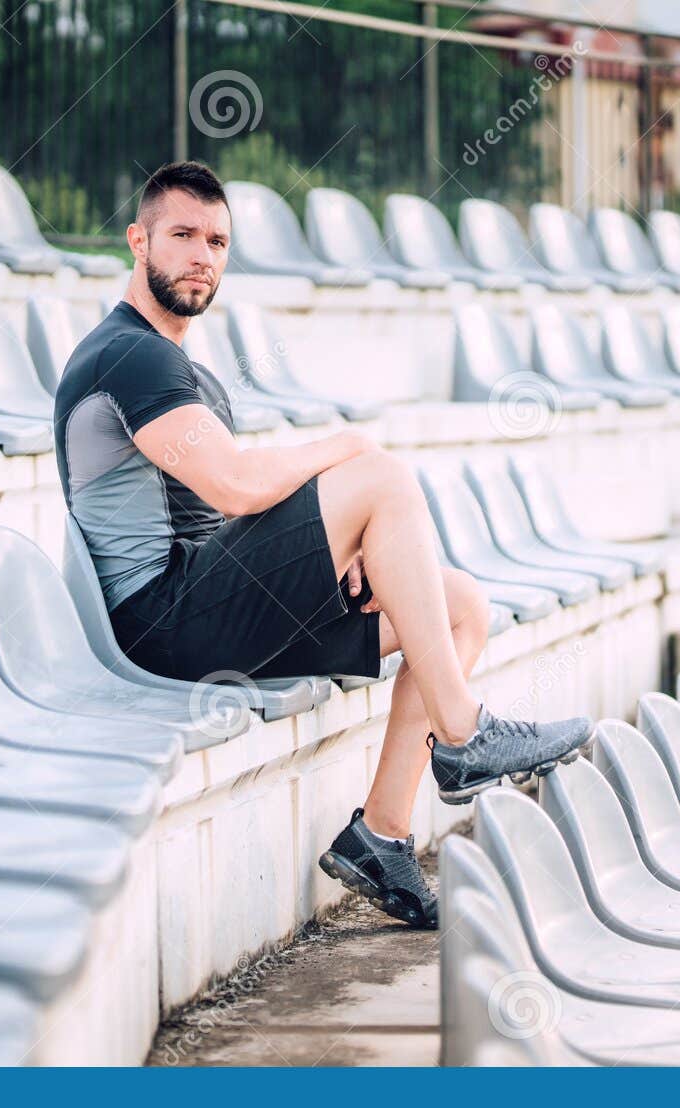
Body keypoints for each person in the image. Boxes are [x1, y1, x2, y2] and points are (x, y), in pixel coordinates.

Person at [53, 161, 592, 928]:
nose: (201, 255)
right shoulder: (128, 356)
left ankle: (383, 832)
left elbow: (223, 524)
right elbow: (236, 488)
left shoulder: (190, 373)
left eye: (217, 240)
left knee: (460, 605)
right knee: (377, 477)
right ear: (138, 241)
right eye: (181, 236)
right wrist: (343, 447)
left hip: (208, 605)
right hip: (161, 625)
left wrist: (341, 567)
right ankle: (465, 732)